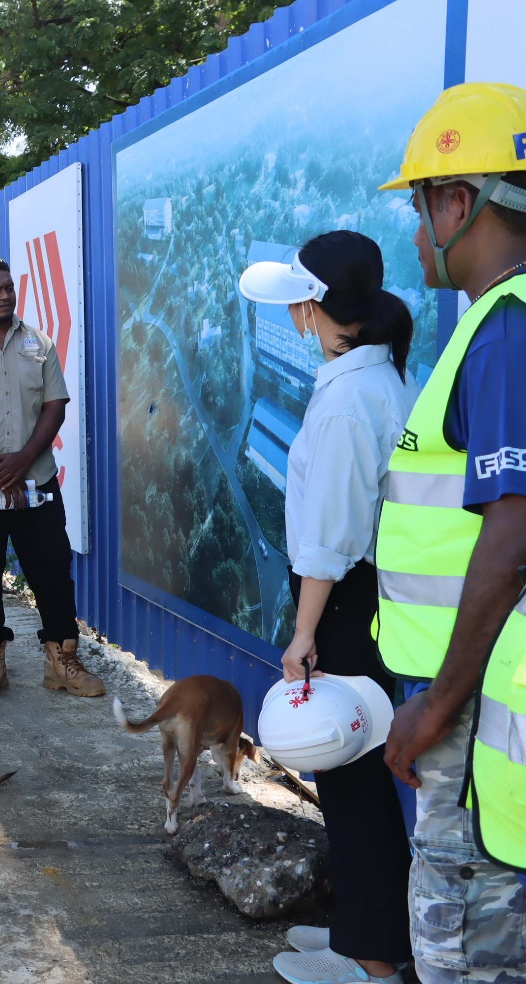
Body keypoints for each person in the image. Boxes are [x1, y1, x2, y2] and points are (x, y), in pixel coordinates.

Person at [374, 82, 526, 984]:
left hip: (471, 701)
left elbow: (510, 538)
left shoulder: (504, 330)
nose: (416, 230)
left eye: (420, 203)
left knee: (464, 950)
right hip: (483, 689)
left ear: (455, 202)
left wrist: (434, 706)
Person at [239, 232, 418, 984]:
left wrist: (303, 631)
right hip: (356, 596)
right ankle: (363, 930)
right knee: (355, 779)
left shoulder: (349, 399)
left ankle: (373, 958)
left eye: (294, 300)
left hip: (345, 601)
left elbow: (331, 538)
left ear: (310, 307)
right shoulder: (364, 378)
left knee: (349, 778)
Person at [0, 257, 105, 701]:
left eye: (8, 287)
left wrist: (23, 459)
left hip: (37, 480)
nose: (4, 295)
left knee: (52, 570)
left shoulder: (39, 342)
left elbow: (55, 404)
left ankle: (62, 661)